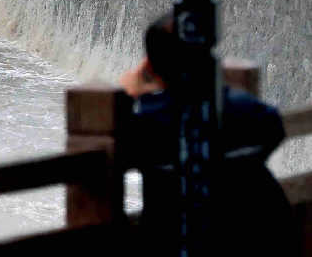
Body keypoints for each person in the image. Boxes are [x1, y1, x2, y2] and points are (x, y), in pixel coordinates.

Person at [121, 14, 298, 255]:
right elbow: (274, 128)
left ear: (150, 67)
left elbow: (130, 138)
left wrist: (133, 93)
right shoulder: (242, 110)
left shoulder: (147, 124)